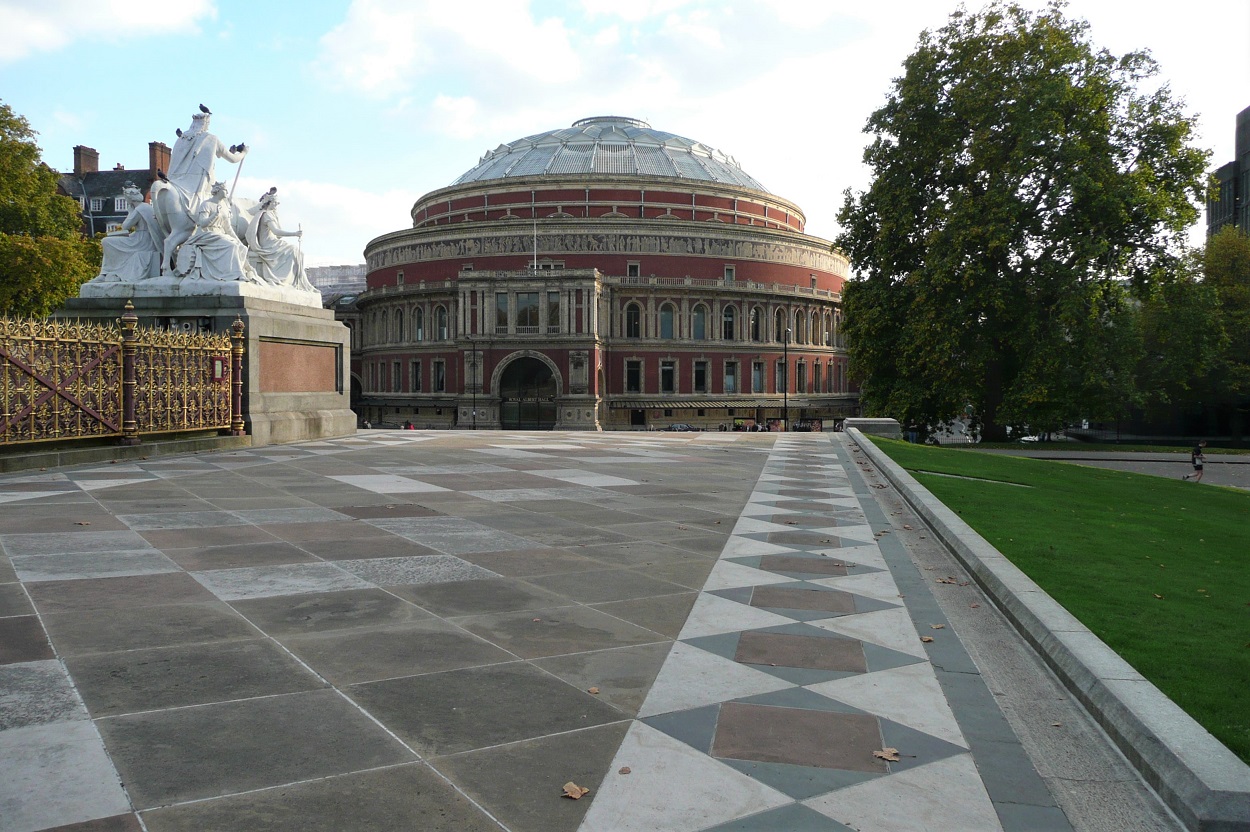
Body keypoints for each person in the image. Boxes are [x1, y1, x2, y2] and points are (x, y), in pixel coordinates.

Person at [174, 181, 256, 282]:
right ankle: (237, 274)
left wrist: (238, 240)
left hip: (220, 234)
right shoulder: (206, 204)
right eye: (225, 190)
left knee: (241, 247)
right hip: (207, 234)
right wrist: (214, 215)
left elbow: (228, 228)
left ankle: (235, 271)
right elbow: (202, 223)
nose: (227, 192)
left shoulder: (225, 207)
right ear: (218, 190)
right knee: (232, 246)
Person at [167, 108, 247, 208]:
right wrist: (244, 153)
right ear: (205, 124)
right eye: (208, 124)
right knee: (222, 208)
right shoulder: (211, 139)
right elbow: (232, 158)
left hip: (176, 183)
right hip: (201, 187)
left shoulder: (180, 140)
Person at [246, 188, 316, 291]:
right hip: (268, 245)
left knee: (297, 252)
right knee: (294, 250)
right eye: (275, 203)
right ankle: (288, 280)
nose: (276, 205)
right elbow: (276, 232)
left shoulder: (269, 214)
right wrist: (294, 234)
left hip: (272, 242)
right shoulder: (267, 215)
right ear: (270, 203)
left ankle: (297, 281)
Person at [90, 184, 162, 282]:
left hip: (142, 241)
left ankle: (106, 273)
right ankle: (107, 272)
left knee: (106, 242)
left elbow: (125, 226)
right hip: (142, 238)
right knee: (108, 242)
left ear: (130, 198)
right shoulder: (145, 207)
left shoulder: (139, 209)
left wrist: (130, 212)